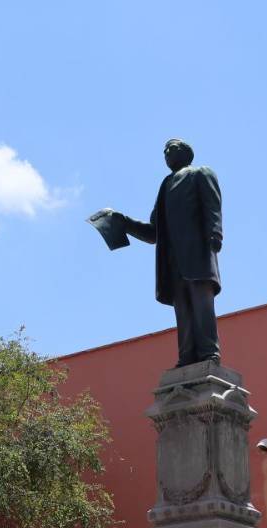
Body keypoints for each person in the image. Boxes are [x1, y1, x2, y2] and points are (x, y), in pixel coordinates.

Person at [99, 139, 223, 366]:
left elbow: (212, 206)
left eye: (172, 148)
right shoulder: (165, 186)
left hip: (198, 255)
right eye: (164, 151)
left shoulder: (200, 174)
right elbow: (153, 233)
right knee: (183, 312)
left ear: (186, 152)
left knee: (202, 306)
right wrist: (123, 222)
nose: (167, 153)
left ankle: (209, 354)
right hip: (172, 262)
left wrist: (216, 234)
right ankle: (186, 358)